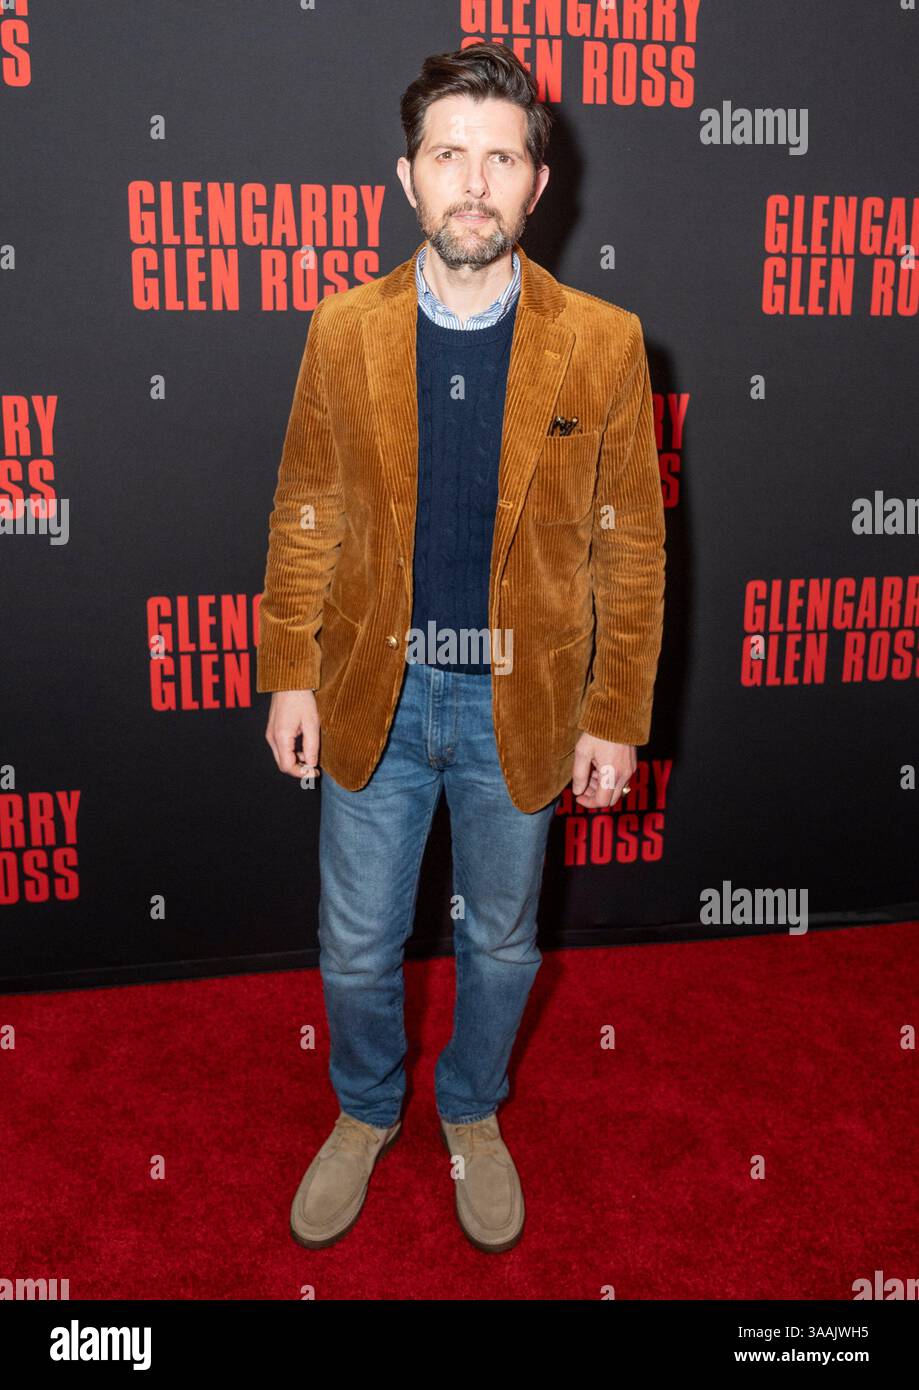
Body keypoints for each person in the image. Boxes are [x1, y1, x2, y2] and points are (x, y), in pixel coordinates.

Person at [258, 42, 666, 1254]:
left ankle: (474, 1110)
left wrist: (616, 709)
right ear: (407, 177)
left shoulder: (604, 343)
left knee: (499, 938)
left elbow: (630, 549)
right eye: (451, 156)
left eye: (501, 157)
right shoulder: (342, 330)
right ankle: (365, 1107)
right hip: (372, 687)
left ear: (539, 185)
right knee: (354, 945)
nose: (474, 184)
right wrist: (288, 666)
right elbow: (304, 506)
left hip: (518, 698)